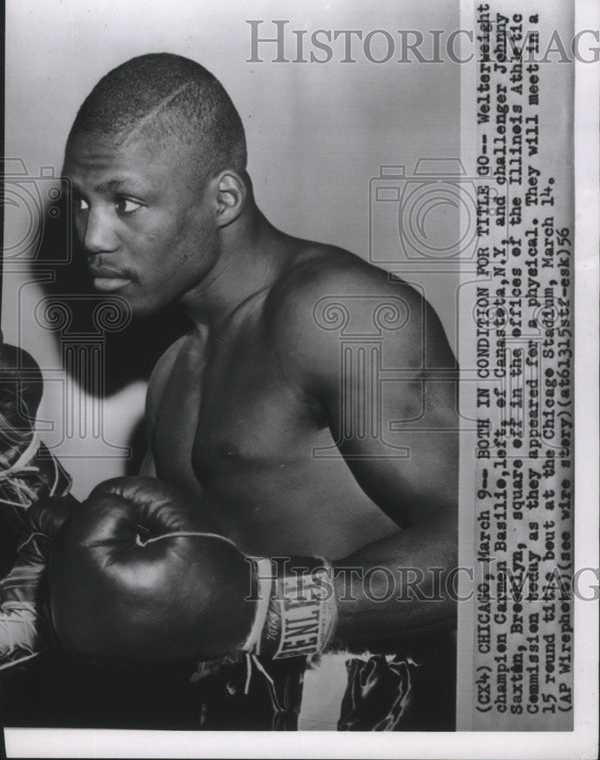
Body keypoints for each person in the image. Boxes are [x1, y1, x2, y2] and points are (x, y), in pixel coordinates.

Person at [1, 53, 458, 731]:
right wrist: (27, 478)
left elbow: (498, 537)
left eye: (124, 201)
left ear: (223, 199)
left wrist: (263, 608)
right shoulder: (174, 369)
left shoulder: (332, 311)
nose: (93, 236)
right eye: (83, 203)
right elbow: (165, 580)